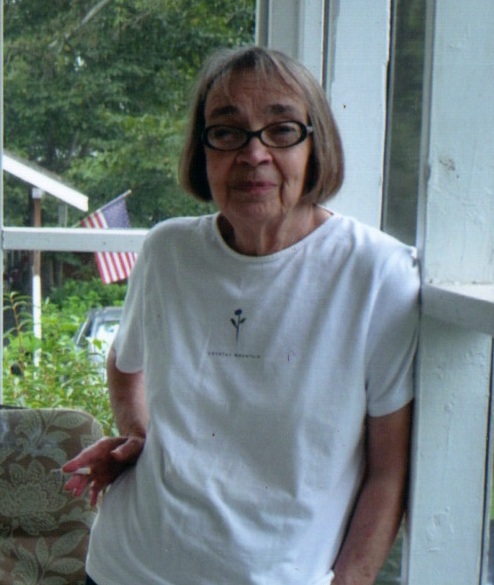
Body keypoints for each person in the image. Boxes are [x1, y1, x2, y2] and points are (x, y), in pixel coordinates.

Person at [64, 46, 420, 585]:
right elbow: (124, 363)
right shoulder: (167, 251)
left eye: (282, 130)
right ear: (202, 151)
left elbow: (389, 473)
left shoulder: (377, 274)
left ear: (316, 145)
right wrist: (140, 437)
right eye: (227, 132)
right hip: (127, 567)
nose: (254, 154)